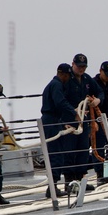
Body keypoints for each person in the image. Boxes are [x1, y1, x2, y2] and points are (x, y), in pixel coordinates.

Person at [64, 54, 103, 187]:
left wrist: (97, 100)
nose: (81, 69)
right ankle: (69, 182)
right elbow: (62, 101)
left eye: (84, 67)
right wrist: (73, 113)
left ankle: (80, 180)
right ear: (73, 64)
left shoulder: (86, 79)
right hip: (70, 120)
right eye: (79, 66)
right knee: (70, 151)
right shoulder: (67, 79)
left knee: (83, 150)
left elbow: (100, 91)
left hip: (83, 120)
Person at [41, 63, 78, 196]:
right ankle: (53, 187)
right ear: (63, 74)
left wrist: (62, 125)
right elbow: (60, 102)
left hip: (53, 121)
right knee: (55, 154)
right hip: (51, 122)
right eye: (67, 76)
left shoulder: (52, 85)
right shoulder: (56, 85)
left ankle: (52, 186)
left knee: (56, 154)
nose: (68, 79)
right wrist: (74, 113)